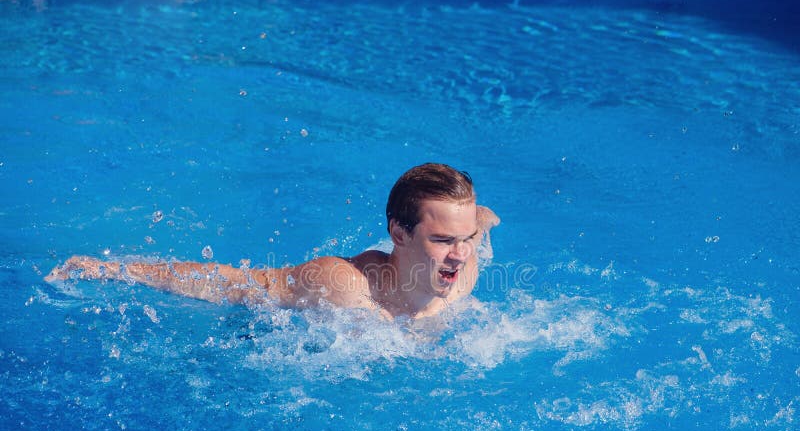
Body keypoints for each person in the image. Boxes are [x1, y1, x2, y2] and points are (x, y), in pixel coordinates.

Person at [46, 163, 500, 319]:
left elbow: (481, 220)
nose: (459, 254)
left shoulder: (464, 270)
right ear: (398, 233)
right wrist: (115, 269)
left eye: (466, 239)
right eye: (443, 240)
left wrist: (473, 225)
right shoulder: (345, 288)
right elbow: (234, 283)